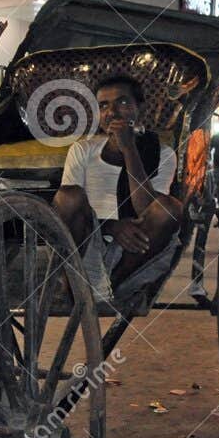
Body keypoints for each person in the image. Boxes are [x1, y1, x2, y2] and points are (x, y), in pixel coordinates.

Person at [51, 75, 183, 304]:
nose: (112, 112)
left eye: (122, 102)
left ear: (140, 108)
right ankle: (71, 281)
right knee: (68, 196)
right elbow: (67, 209)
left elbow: (145, 209)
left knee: (169, 208)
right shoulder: (83, 150)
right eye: (103, 106)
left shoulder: (162, 154)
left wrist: (129, 148)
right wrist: (111, 226)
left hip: (133, 249)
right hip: (87, 243)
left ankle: (112, 286)